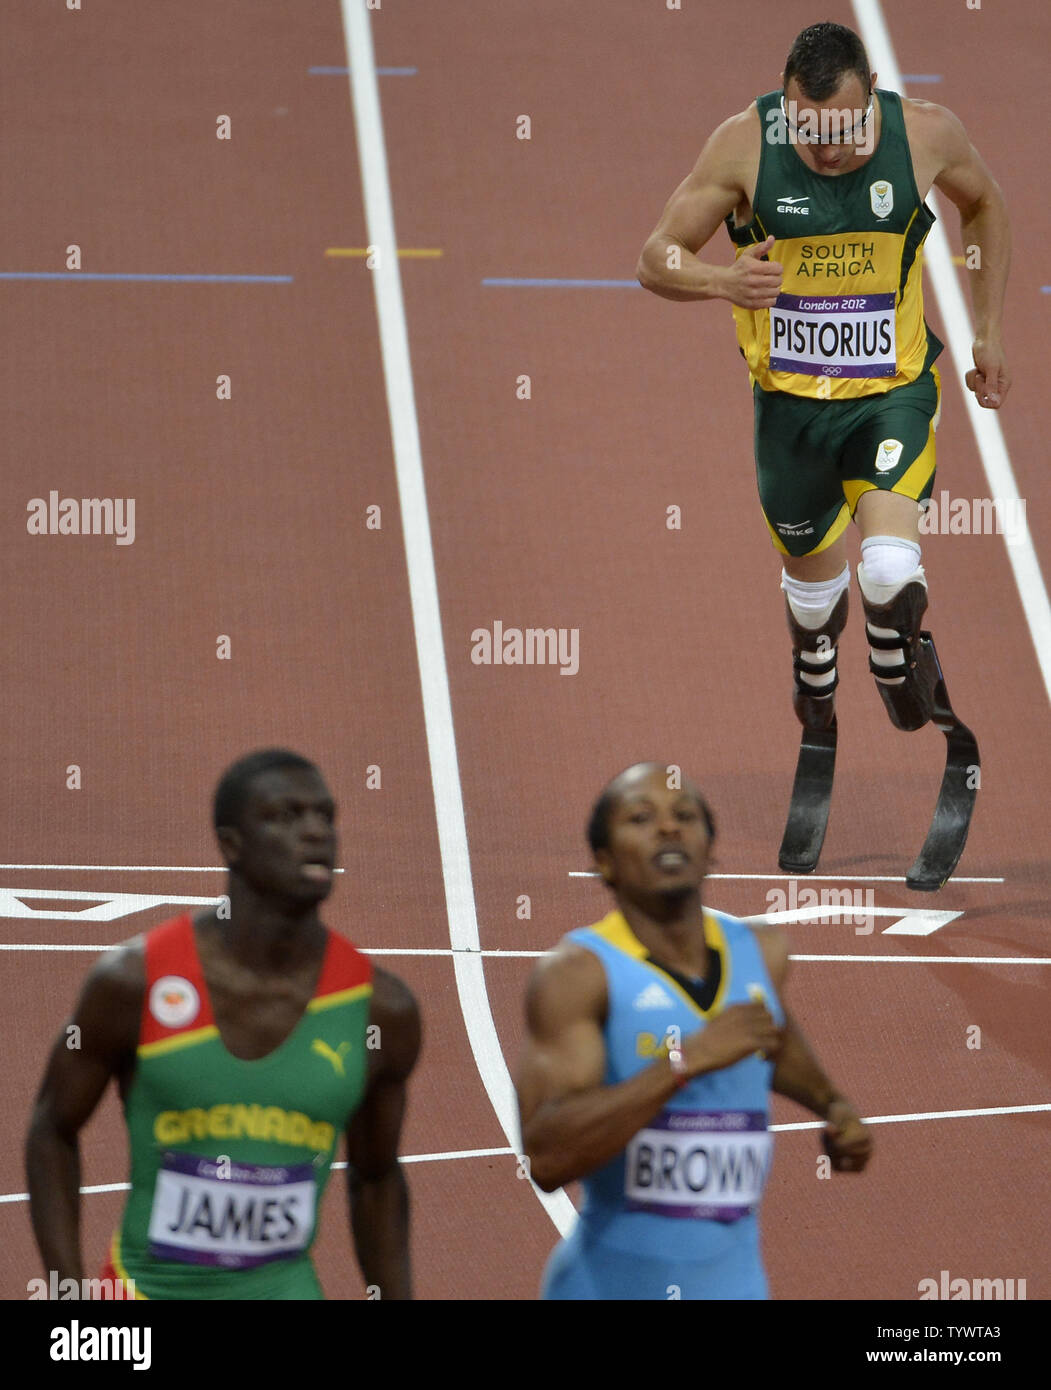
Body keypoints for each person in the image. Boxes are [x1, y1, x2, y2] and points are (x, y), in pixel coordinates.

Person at [636, 22, 1009, 856]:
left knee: (886, 568)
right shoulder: (742, 146)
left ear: (869, 92)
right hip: (790, 413)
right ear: (786, 103)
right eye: (808, 130)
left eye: (842, 130)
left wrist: (985, 329)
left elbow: (983, 201)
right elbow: (654, 257)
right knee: (812, 593)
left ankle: (890, 648)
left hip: (890, 397)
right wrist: (717, 281)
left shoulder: (925, 133)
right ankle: (816, 677)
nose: (828, 149)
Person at [25, 748, 421, 1300]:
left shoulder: (381, 1009)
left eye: (324, 816)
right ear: (230, 844)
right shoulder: (134, 982)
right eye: (285, 817)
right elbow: (51, 1128)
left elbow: (377, 1179)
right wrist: (66, 1293)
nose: (315, 833)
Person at [516, 763, 871, 1300]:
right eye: (641, 818)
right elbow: (547, 1157)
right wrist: (685, 1061)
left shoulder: (760, 952)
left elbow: (768, 1033)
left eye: (685, 816)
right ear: (604, 863)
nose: (668, 828)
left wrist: (833, 1104)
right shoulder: (577, 976)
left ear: (711, 850)